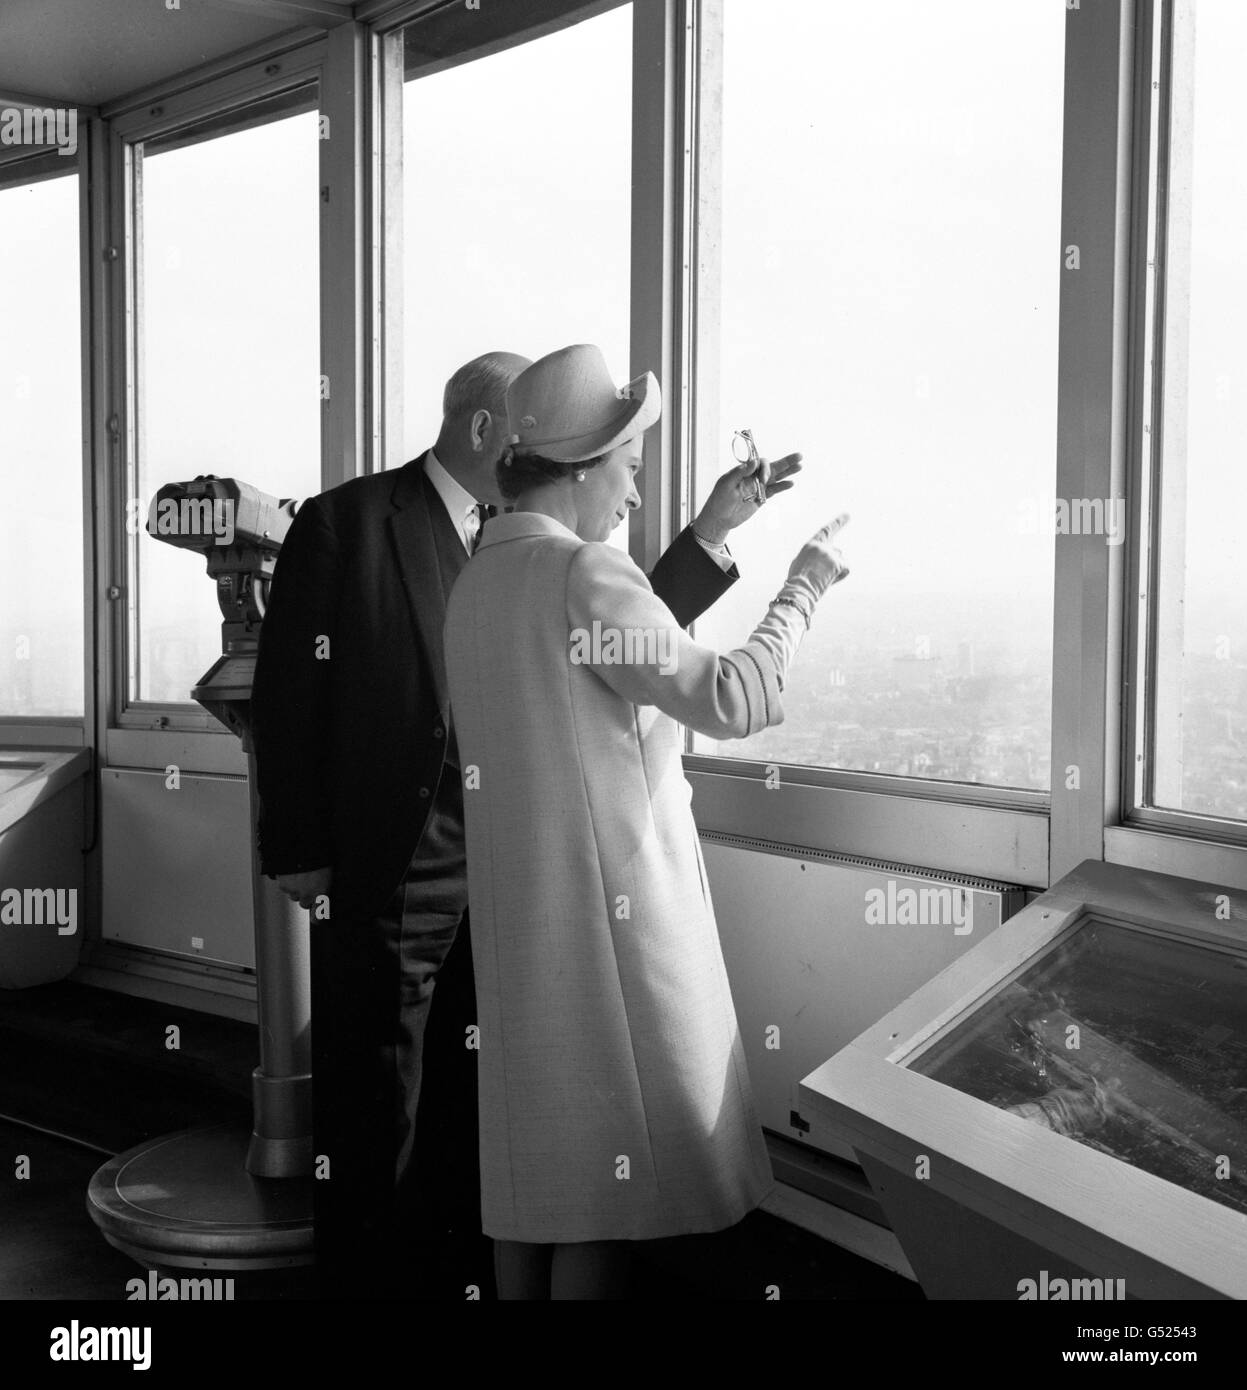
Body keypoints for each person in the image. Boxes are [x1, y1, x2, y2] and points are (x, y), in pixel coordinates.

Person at [248, 348, 803, 1297]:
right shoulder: (347, 525)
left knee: (498, 1123)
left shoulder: (513, 557)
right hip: (391, 875)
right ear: (486, 431)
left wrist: (712, 530)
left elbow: (606, 642)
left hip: (506, 880)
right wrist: (297, 852)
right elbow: (286, 695)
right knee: (382, 1111)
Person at [443, 343, 850, 1300]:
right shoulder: (584, 573)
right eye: (628, 468)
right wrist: (805, 584)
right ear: (582, 468)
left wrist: (714, 525)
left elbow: (600, 662)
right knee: (599, 1195)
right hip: (608, 933)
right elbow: (728, 697)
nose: (633, 494)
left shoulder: (477, 585)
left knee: (531, 1182)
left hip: (523, 930)